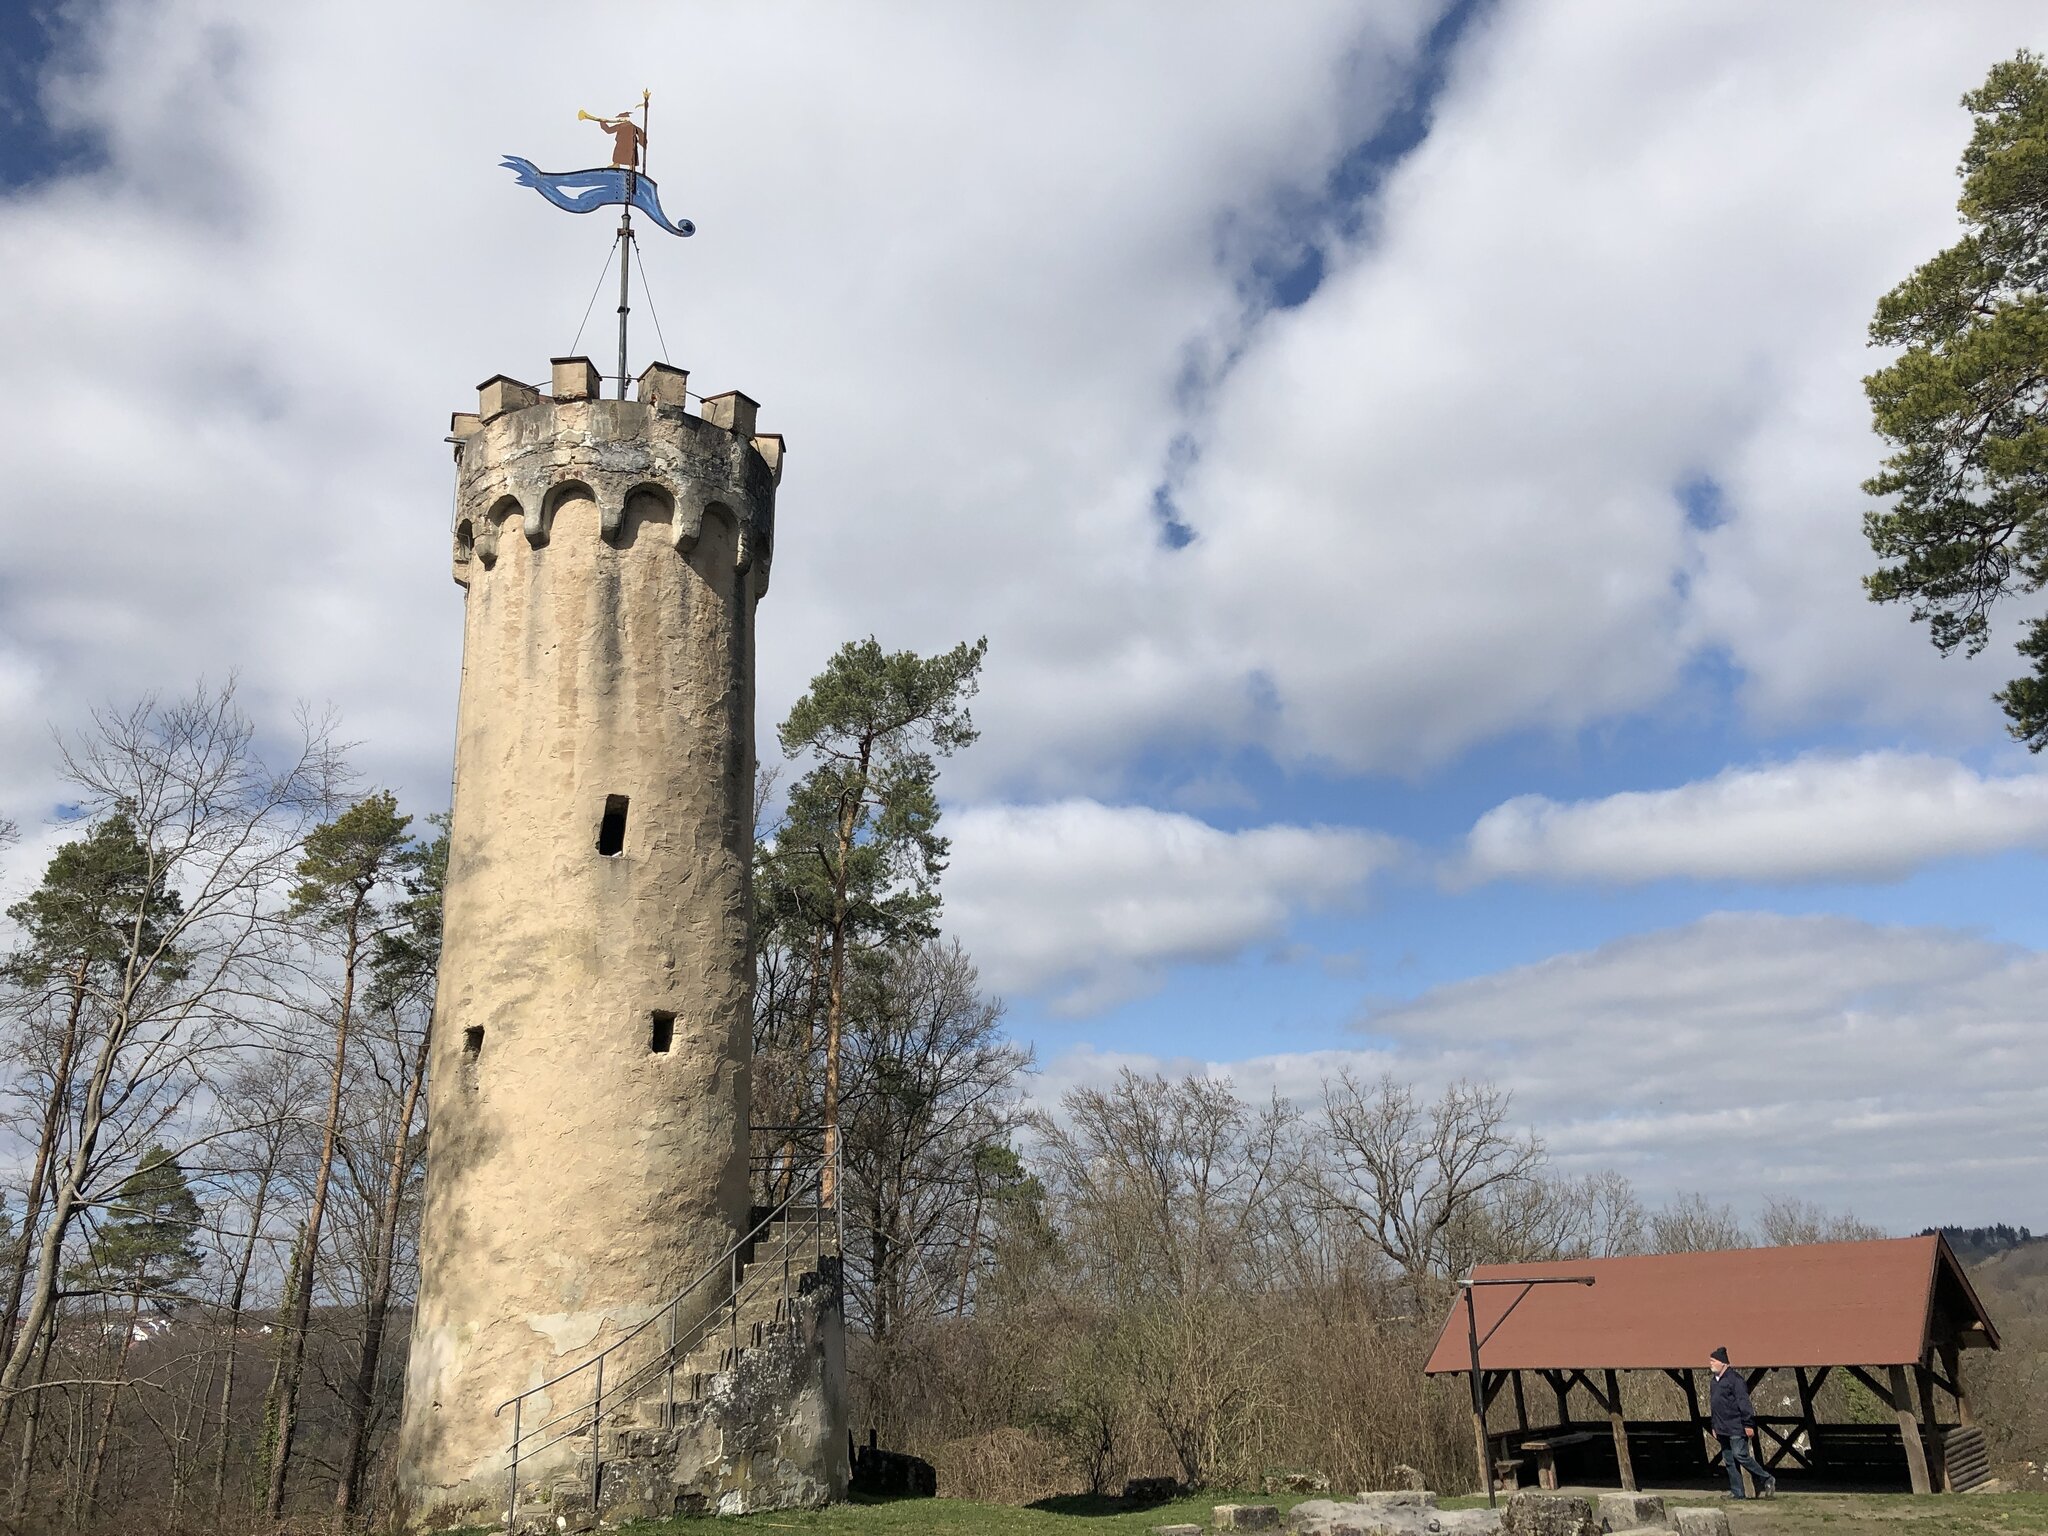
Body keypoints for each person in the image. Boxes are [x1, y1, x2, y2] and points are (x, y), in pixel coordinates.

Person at [1708, 1347, 1776, 1499]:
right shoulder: (1714, 1382)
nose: (1710, 1364)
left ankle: (1766, 1477)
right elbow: (1714, 1406)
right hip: (1721, 1427)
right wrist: (1714, 1425)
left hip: (1736, 1426)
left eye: (1713, 1361)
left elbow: (1744, 1403)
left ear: (1723, 1363)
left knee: (1740, 1455)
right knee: (1729, 1460)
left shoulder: (1735, 1380)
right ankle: (1737, 1492)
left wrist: (1748, 1424)